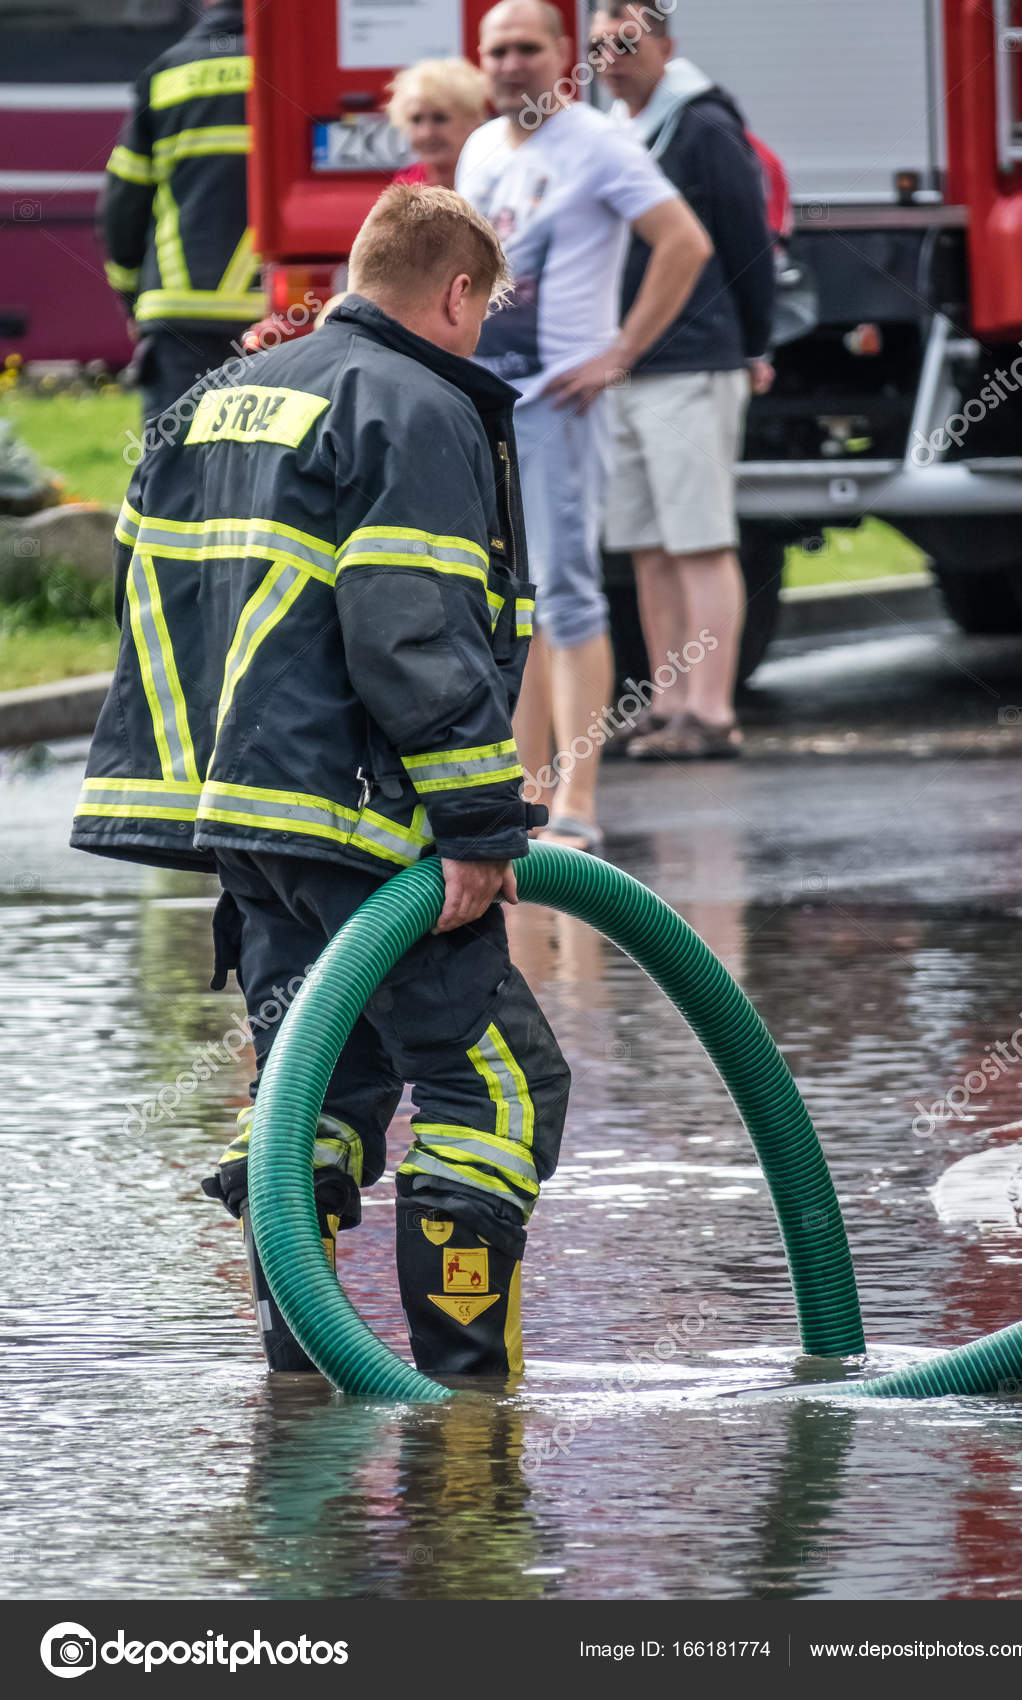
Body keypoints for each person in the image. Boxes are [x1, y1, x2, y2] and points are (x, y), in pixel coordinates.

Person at [70, 185, 571, 1381]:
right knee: (496, 1085)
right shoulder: (416, 404)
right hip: (357, 818)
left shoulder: (208, 399)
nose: (479, 336)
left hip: (241, 820)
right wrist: (475, 820)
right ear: (456, 292)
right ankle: (458, 1400)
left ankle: (301, 1368)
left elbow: (165, 605)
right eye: (481, 310)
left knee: (319, 1078)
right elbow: (412, 623)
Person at [456, 0, 711, 852]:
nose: (512, 64)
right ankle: (528, 798)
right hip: (483, 407)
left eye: (529, 48)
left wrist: (619, 353)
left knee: (565, 595)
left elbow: (683, 243)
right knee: (505, 604)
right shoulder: (482, 149)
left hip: (558, 407)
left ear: (561, 54)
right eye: (498, 50)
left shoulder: (599, 143)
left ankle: (577, 802)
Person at [592, 1, 777, 760]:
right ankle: (667, 705)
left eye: (628, 41)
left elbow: (746, 242)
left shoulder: (700, 127)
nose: (612, 55)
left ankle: (711, 709)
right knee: (646, 547)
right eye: (600, 43)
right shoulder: (616, 131)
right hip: (628, 368)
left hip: (695, 362)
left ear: (667, 46)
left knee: (699, 541)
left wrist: (754, 344)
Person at [99, 0, 265, 430]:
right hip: (280, 310)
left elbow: (124, 200)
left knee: (174, 473)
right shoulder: (295, 66)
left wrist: (129, 294)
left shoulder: (165, 73)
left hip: (180, 312)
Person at [387, 57, 489, 188]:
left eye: (440, 118)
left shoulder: (494, 178)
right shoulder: (405, 184)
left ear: (474, 121)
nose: (426, 133)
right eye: (416, 119)